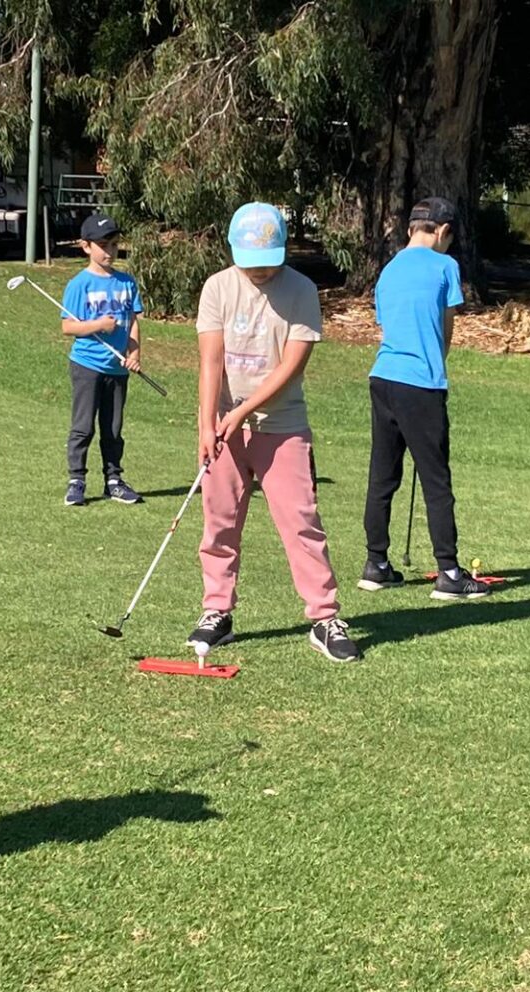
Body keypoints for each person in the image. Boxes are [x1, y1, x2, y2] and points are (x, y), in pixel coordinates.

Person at [188, 202, 361, 663]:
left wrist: (244, 410)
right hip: (224, 425)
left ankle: (324, 618)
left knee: (301, 522)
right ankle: (217, 611)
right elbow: (211, 361)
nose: (260, 270)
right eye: (251, 261)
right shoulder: (218, 288)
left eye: (268, 260)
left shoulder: (302, 290)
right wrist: (207, 423)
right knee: (219, 521)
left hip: (282, 426)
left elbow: (293, 364)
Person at [359, 196, 488, 601]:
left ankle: (376, 564)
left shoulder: (388, 270)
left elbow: (390, 323)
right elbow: (445, 329)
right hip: (421, 384)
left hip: (383, 378)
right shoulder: (445, 267)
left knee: (383, 476)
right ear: (444, 231)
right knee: (436, 480)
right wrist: (437, 365)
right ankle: (449, 572)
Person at [60, 212, 144, 507]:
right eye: (103, 245)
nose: (110, 251)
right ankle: (76, 481)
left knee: (113, 428)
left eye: (114, 244)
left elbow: (133, 321)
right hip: (87, 365)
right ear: (86, 247)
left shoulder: (126, 283)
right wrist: (98, 326)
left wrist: (134, 353)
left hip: (117, 367)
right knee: (84, 426)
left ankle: (113, 480)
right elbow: (68, 326)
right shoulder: (78, 285)